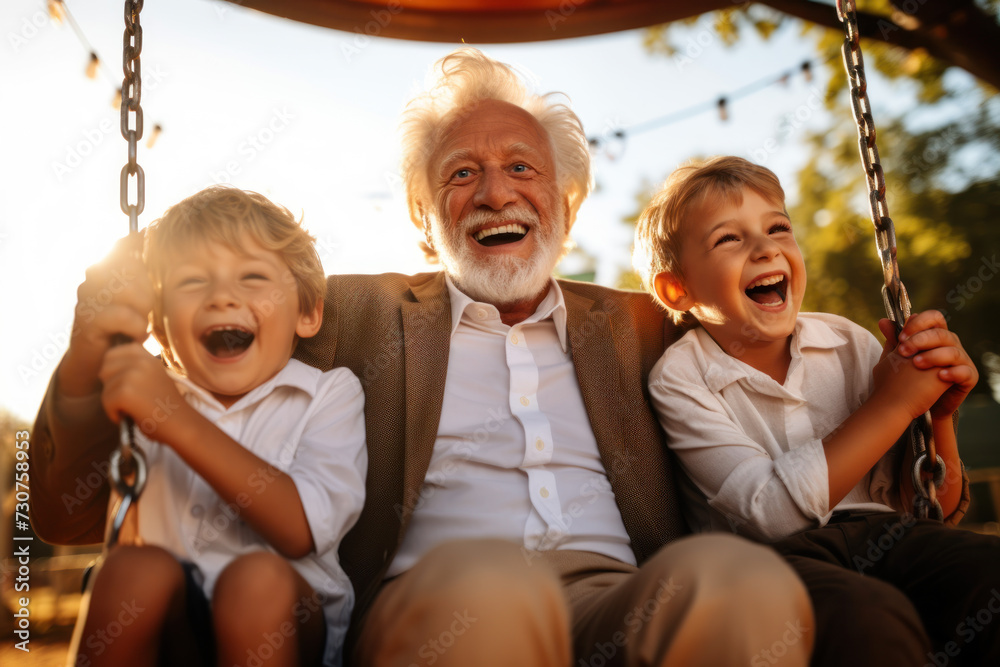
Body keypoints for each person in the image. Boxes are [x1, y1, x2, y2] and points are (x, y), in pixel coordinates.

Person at [31, 50, 812, 667]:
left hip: (620, 591)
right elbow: (69, 513)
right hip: (434, 600)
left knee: (740, 587)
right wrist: (92, 355)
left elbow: (773, 382)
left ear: (567, 204)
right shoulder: (336, 313)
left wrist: (913, 396)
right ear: (421, 216)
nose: (494, 192)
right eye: (461, 173)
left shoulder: (647, 324)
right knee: (490, 590)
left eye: (522, 167)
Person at [634, 155, 1000, 666]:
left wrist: (936, 416)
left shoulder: (846, 341)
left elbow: (931, 507)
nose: (765, 248)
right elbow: (770, 516)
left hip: (890, 534)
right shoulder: (682, 377)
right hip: (771, 564)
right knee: (864, 618)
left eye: (777, 228)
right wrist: (893, 404)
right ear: (679, 290)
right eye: (729, 239)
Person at [55, 186, 367, 667]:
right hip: (175, 624)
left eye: (253, 276)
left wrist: (174, 421)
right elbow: (65, 503)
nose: (222, 296)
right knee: (129, 571)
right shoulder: (139, 389)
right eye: (193, 281)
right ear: (157, 326)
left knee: (255, 580)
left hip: (287, 623)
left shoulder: (327, 395)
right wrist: (91, 358)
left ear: (307, 312)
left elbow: (301, 531)